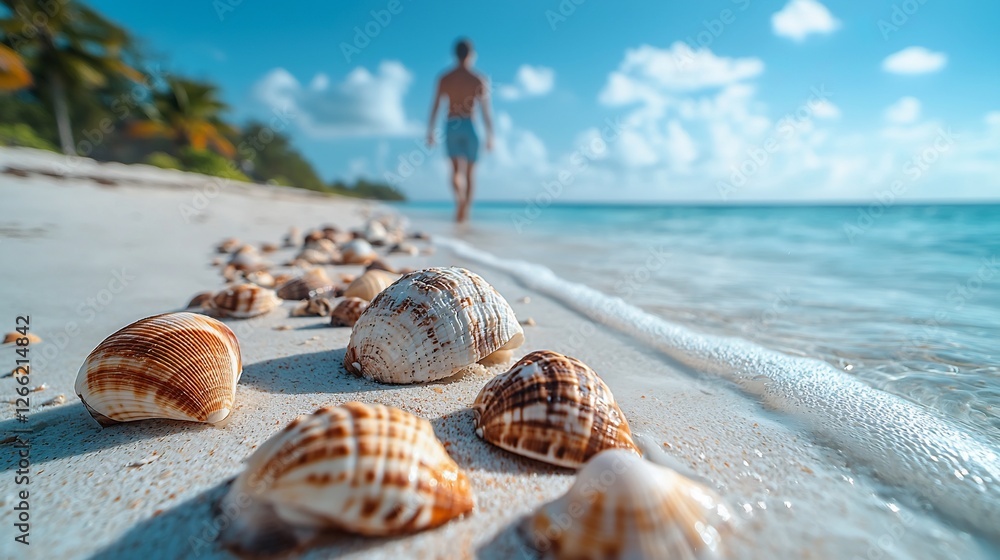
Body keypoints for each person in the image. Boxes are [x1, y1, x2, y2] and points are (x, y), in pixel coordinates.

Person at [427, 38, 493, 223]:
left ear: (455, 55)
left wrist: (430, 131)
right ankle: (466, 210)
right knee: (470, 173)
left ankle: (459, 201)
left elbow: (435, 106)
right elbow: (486, 111)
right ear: (471, 55)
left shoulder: (444, 78)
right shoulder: (479, 79)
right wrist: (490, 135)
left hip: (452, 124)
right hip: (470, 125)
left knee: (456, 171)